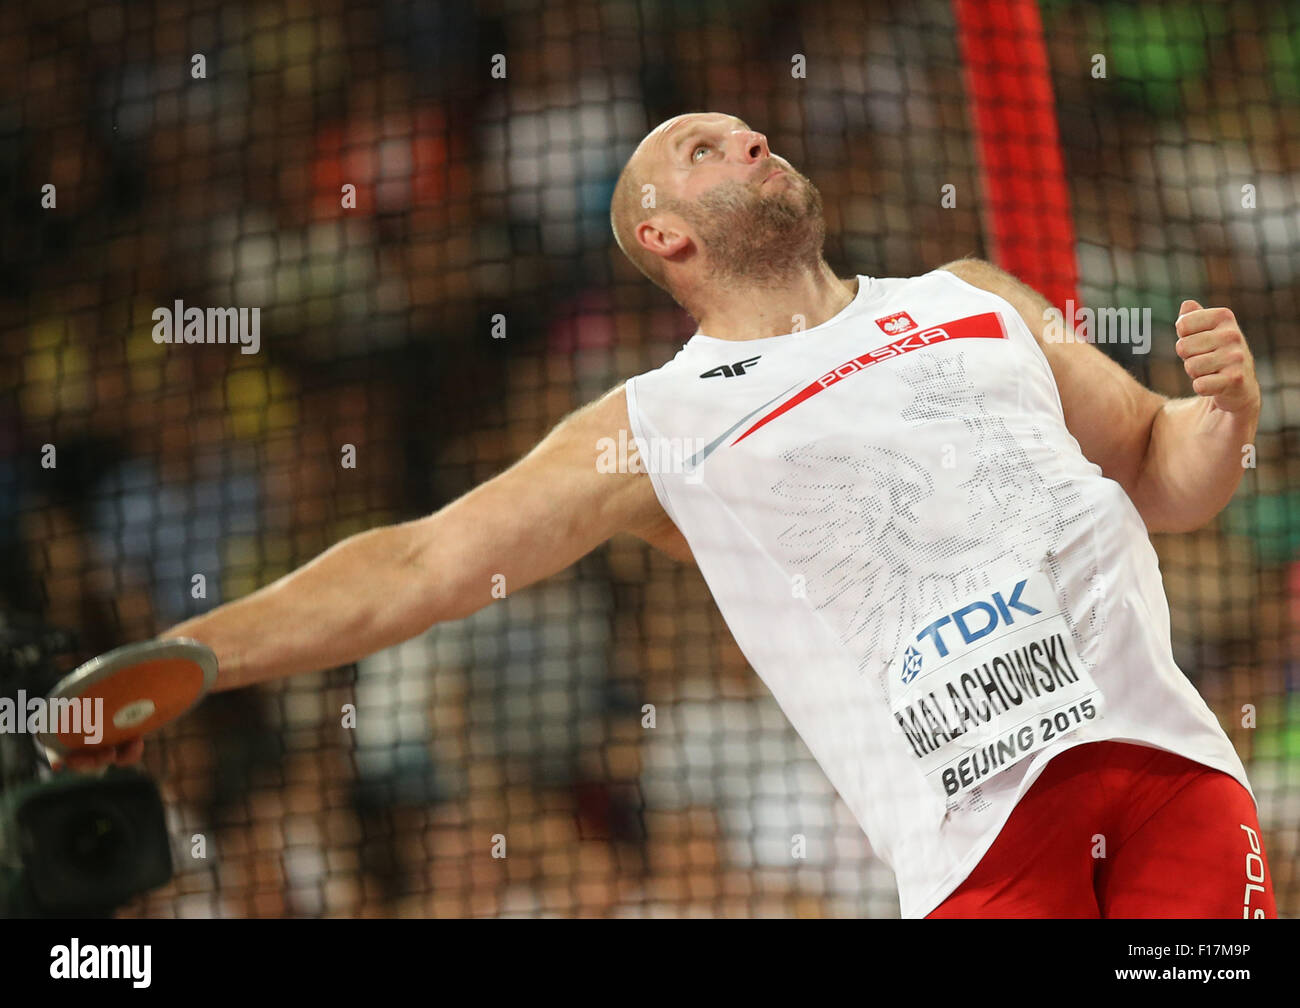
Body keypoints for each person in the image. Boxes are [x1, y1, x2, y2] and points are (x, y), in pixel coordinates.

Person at [72, 112, 1274, 918]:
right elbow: (421, 563)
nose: (748, 134)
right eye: (703, 147)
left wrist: (1220, 414)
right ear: (664, 233)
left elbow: (1159, 467)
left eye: (749, 128)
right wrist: (191, 655)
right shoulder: (657, 423)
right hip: (984, 846)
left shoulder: (967, 297)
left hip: (1170, 769)